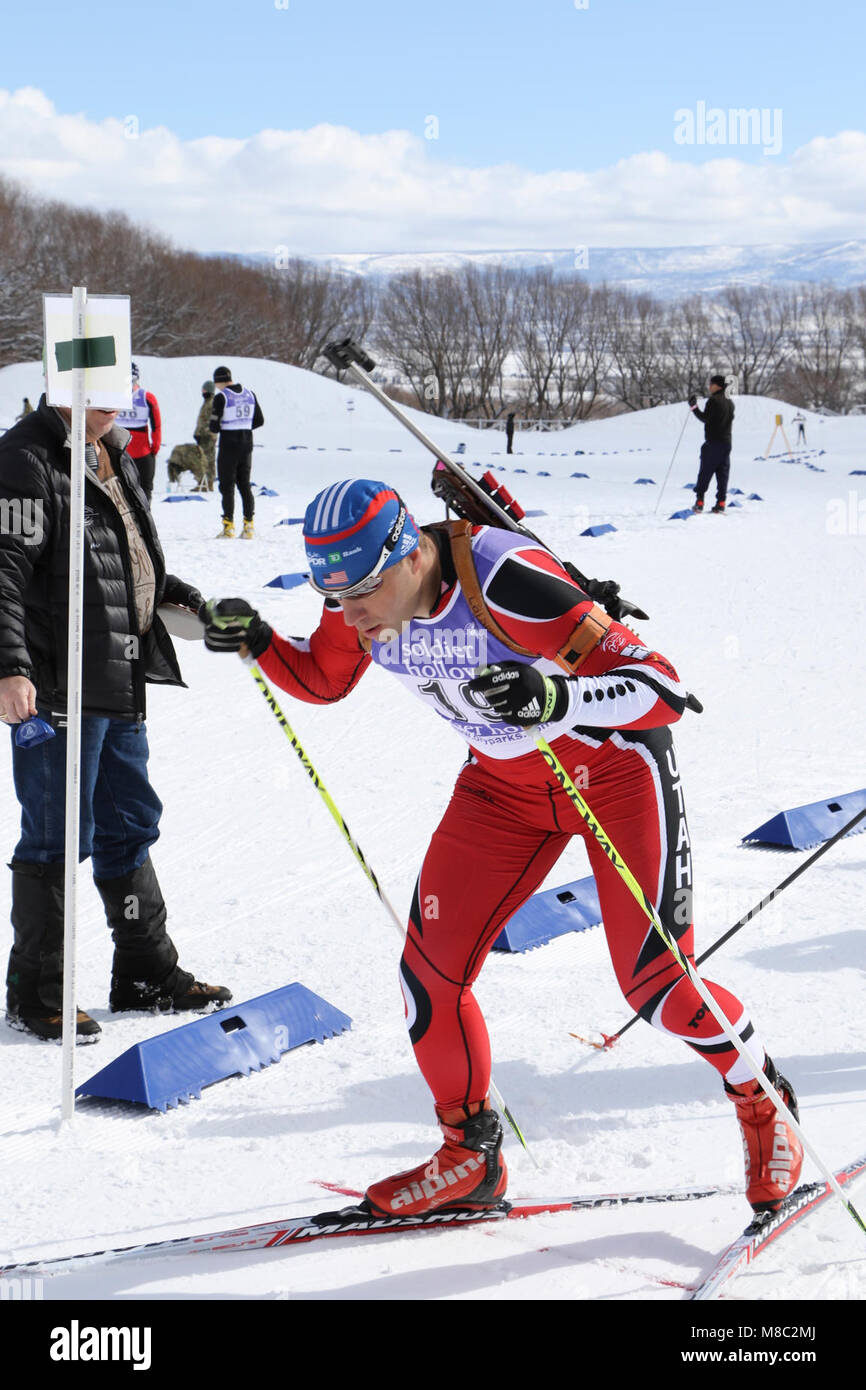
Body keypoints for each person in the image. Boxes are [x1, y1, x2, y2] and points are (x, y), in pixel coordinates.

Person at [200, 478, 803, 1220]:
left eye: (361, 591)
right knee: (430, 977)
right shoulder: (356, 597)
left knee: (657, 985)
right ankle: (469, 1157)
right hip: (503, 788)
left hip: (612, 776)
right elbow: (326, 679)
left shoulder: (506, 579)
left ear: (414, 555)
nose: (349, 613)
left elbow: (663, 688)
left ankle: (764, 1104)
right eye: (334, 595)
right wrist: (258, 640)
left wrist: (559, 699)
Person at [0, 392, 231, 1041]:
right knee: (57, 831)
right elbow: (4, 567)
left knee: (129, 822)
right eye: (102, 398)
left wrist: (170, 593)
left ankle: (144, 970)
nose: (117, 411)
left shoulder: (115, 452)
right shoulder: (26, 458)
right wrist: (10, 665)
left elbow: (124, 554)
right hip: (57, 676)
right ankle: (35, 990)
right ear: (63, 386)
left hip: (118, 668)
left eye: (122, 396)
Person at [209, 366, 263, 539]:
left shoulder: (221, 397)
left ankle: (228, 526)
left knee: (227, 486)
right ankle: (249, 526)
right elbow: (259, 420)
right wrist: (244, 425)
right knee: (245, 485)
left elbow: (214, 426)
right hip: (247, 443)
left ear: (218, 381)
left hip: (228, 445)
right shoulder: (250, 394)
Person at [115, 363, 161, 502]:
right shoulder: (147, 397)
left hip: (120, 450)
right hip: (141, 452)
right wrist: (155, 448)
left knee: (122, 491)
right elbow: (156, 426)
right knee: (144, 491)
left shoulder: (115, 396)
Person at [688, 375, 734, 514]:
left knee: (705, 473)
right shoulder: (730, 402)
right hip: (726, 443)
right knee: (722, 474)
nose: (709, 386)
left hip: (713, 442)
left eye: (711, 384)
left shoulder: (713, 401)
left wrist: (694, 407)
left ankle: (700, 501)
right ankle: (721, 502)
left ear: (718, 385)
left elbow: (705, 418)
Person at [194, 381, 217, 492]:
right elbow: (201, 421)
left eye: (204, 390)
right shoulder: (206, 402)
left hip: (208, 437)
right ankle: (203, 483)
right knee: (204, 459)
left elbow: (212, 421)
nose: (202, 392)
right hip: (203, 436)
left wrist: (204, 433)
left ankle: (207, 483)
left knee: (207, 460)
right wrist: (197, 433)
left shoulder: (211, 403)